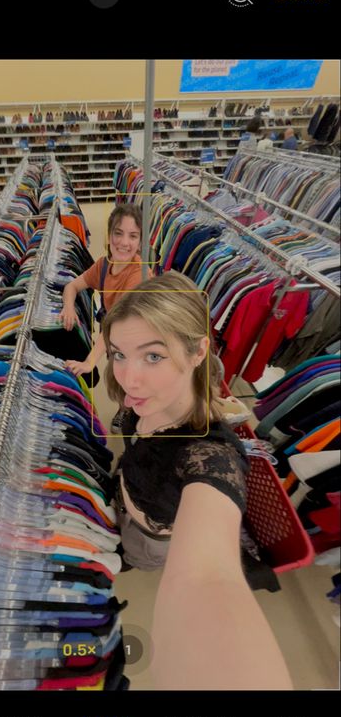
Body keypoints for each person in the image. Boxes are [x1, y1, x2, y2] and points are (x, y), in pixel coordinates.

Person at [101, 271, 293, 690]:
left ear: (196, 352)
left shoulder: (210, 457)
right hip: (124, 499)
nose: (128, 378)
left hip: (149, 539)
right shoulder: (143, 399)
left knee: (136, 554)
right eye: (119, 354)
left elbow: (205, 579)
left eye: (153, 356)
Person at [60, 203, 147, 432]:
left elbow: (114, 323)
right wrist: (68, 308)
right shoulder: (104, 265)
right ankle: (124, 408)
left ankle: (132, 414)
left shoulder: (137, 274)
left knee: (133, 379)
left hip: (137, 339)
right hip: (115, 338)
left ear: (140, 242)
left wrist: (89, 362)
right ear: (109, 235)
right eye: (118, 233)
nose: (124, 242)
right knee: (120, 377)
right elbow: (72, 286)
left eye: (133, 236)